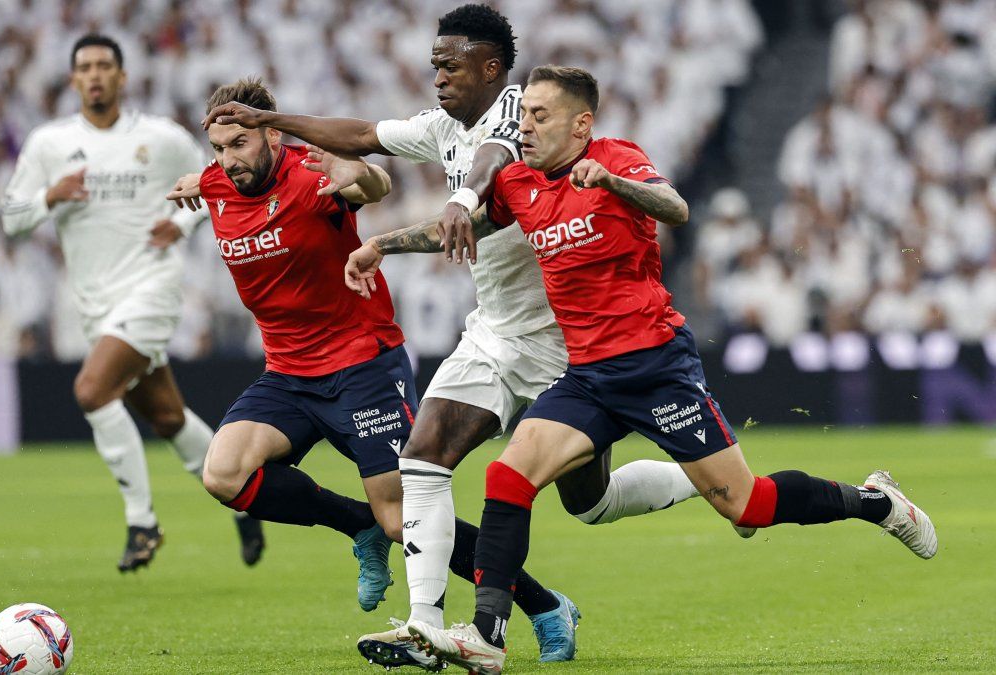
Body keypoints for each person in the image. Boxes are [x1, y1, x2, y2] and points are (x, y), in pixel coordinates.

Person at [396, 65, 937, 675]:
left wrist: (614, 184)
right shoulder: (519, 183)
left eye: (539, 116)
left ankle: (876, 503)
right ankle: (487, 637)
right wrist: (379, 246)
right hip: (587, 377)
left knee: (749, 506)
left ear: (582, 125)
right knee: (508, 477)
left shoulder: (615, 157)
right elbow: (461, 227)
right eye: (522, 116)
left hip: (656, 367)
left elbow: (675, 207)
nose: (524, 127)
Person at [202, 5, 699, 667]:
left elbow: (494, 158)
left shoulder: (528, 116)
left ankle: (697, 477)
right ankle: (425, 626)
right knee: (424, 456)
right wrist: (274, 121)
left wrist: (463, 199)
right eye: (434, 63)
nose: (437, 75)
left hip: (566, 344)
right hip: (493, 335)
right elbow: (360, 132)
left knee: (592, 502)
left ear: (492, 68)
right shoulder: (441, 126)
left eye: (450, 64)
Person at [169, 80, 574, 663]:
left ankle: (543, 604)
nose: (229, 160)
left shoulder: (311, 174)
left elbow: (373, 181)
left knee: (401, 518)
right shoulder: (218, 182)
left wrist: (358, 177)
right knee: (224, 475)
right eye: (218, 149)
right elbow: (203, 182)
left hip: (362, 364)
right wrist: (186, 186)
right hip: (287, 374)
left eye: (239, 143)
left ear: (272, 135)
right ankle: (353, 523)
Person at [1, 34, 264, 573]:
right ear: (73, 79)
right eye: (84, 67)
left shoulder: (161, 138)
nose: (94, 75)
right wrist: (50, 197)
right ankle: (245, 499)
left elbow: (218, 185)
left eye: (104, 66)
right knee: (167, 415)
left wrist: (182, 221)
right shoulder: (49, 143)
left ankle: (142, 521)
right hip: (96, 304)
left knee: (92, 389)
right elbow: (11, 217)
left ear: (122, 77)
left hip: (153, 286)